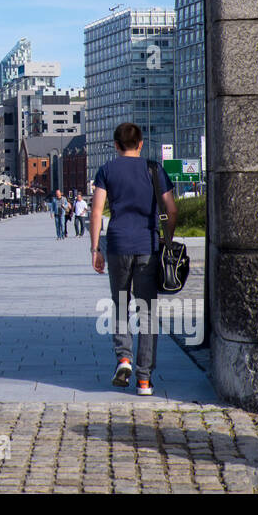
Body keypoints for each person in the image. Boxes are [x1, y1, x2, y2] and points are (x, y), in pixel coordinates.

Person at [89, 122, 177, 397]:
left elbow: (96, 211)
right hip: (147, 246)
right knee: (147, 312)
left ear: (116, 145)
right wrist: (168, 238)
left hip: (117, 246)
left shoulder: (106, 171)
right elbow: (171, 210)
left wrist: (95, 249)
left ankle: (123, 359)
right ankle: (143, 380)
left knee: (120, 306)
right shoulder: (154, 169)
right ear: (140, 144)